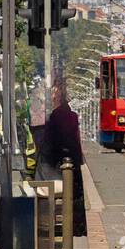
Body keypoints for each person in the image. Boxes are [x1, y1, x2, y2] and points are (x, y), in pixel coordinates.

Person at [35, 80, 87, 237]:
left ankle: (46, 227)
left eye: (54, 94)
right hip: (67, 165)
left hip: (56, 166)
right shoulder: (69, 116)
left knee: (53, 194)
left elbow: (51, 142)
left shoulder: (57, 116)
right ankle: (74, 227)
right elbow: (74, 142)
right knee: (72, 196)